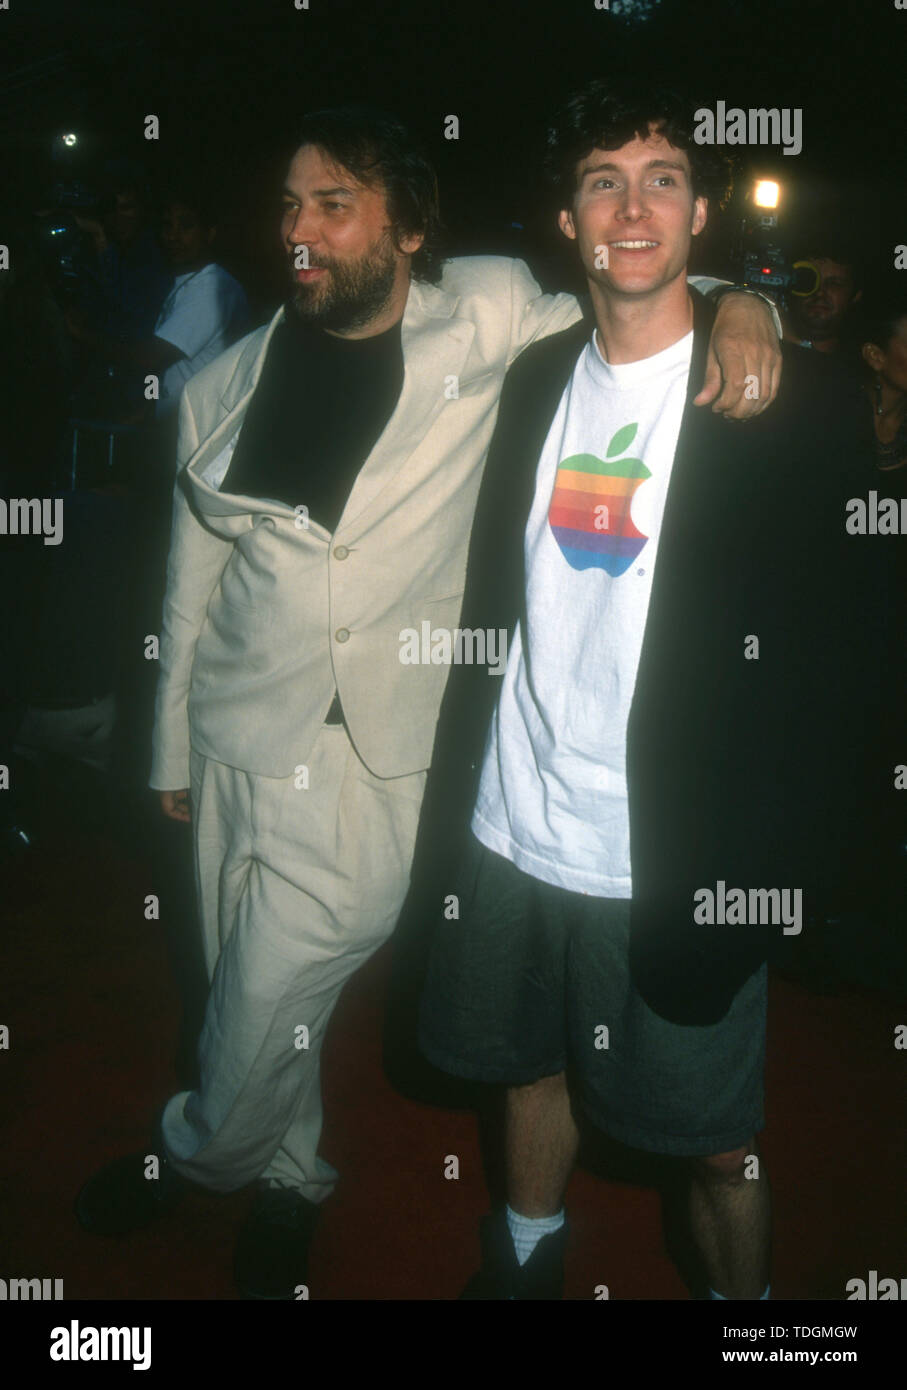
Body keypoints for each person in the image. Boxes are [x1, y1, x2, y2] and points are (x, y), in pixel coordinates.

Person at [74, 103, 782, 1301]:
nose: (299, 233)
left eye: (334, 205)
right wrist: (165, 742)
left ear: (405, 229)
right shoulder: (225, 383)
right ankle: (293, 1176)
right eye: (289, 208)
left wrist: (738, 296)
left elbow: (633, 275)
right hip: (238, 729)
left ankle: (196, 1153)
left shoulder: (491, 310)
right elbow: (187, 583)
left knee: (259, 991)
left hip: (389, 756)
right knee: (236, 971)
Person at [412, 77, 892, 1301]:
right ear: (565, 220)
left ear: (701, 212)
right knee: (523, 1065)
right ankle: (524, 1261)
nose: (633, 208)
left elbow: (847, 665)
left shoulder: (789, 400)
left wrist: (793, 873)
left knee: (721, 1142)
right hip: (512, 828)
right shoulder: (533, 382)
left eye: (663, 179)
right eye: (602, 182)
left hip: (677, 857)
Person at [788, 238, 862, 354]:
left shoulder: (867, 364)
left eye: (834, 283)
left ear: (856, 296)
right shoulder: (761, 347)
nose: (819, 292)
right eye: (808, 280)